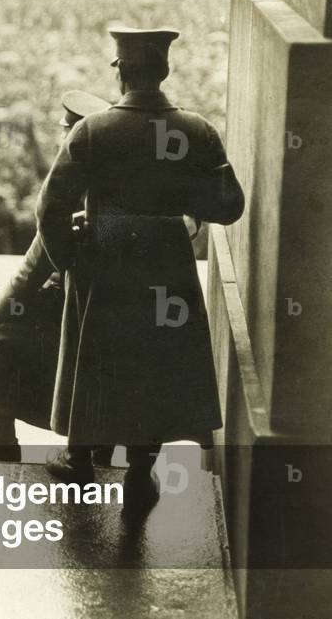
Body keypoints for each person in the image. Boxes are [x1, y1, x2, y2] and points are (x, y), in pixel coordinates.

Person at [36, 27, 245, 508]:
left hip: (105, 251)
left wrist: (64, 260)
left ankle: (81, 460)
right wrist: (180, 206)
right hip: (167, 255)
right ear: (163, 70)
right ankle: (140, 471)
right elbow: (229, 204)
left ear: (123, 71)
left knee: (100, 355)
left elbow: (50, 205)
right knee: (153, 358)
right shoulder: (197, 129)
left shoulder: (93, 130)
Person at [0, 91, 114, 465]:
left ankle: (2, 439)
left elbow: (41, 255)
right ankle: (97, 446)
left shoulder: (73, 184)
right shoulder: (113, 179)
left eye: (65, 132)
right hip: (112, 304)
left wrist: (5, 301)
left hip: (72, 303)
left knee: (1, 337)